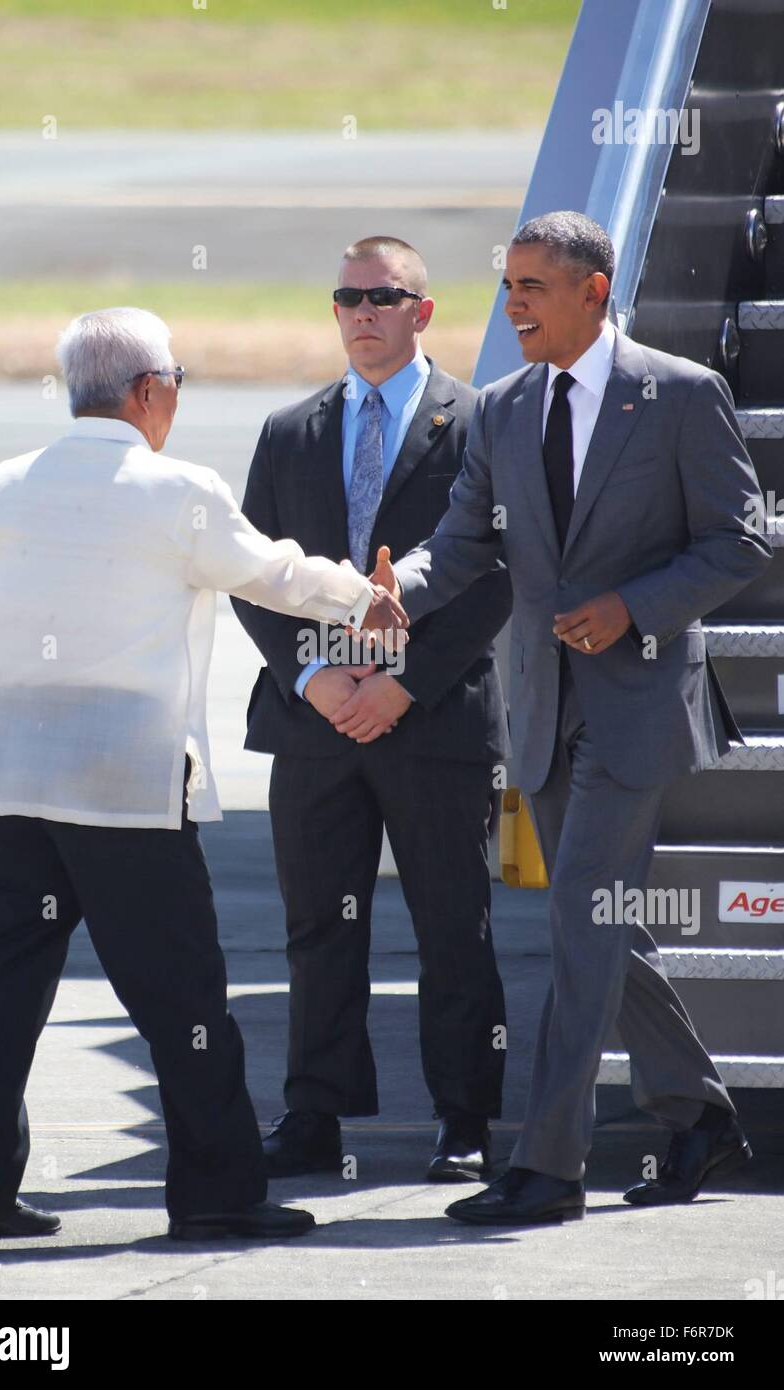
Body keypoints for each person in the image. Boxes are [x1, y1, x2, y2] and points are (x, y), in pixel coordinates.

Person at [0, 306, 404, 1244]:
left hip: (13, 786)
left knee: (2, 994)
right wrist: (365, 597)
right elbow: (273, 575)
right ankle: (220, 1194)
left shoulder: (8, 483)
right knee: (182, 1002)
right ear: (148, 391)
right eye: (177, 380)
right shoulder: (176, 489)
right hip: (126, 790)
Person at [377, 211, 773, 1225]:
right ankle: (695, 1113)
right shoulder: (502, 409)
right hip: (540, 706)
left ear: (591, 292)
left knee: (576, 921)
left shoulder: (681, 395)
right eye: (505, 286)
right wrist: (389, 589)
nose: (510, 305)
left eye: (530, 287)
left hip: (636, 706)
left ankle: (549, 1167)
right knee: (596, 922)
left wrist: (631, 605)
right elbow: (459, 546)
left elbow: (739, 542)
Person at [232, 237, 512, 1182]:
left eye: (382, 297)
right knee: (319, 926)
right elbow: (251, 576)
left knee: (452, 923)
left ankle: (465, 1118)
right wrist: (315, 680)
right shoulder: (290, 430)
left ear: (422, 312)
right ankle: (314, 1114)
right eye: (346, 296)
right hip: (313, 721)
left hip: (430, 715)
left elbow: (496, 575)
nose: (361, 312)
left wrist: (402, 685)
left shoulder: (480, 419)